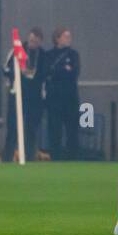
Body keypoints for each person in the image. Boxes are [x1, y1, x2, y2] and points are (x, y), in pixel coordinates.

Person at [2, 27, 46, 161]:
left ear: (40, 42)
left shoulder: (43, 55)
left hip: (35, 96)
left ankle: (29, 157)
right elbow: (5, 69)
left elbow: (46, 73)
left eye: (36, 41)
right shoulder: (16, 51)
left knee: (31, 129)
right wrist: (19, 73)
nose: (33, 43)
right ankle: (7, 158)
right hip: (17, 94)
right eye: (31, 40)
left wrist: (34, 75)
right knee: (13, 128)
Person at [43, 28, 81, 160]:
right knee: (54, 130)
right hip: (54, 98)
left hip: (70, 98)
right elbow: (47, 72)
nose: (68, 39)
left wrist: (60, 72)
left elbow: (74, 73)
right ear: (57, 39)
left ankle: (73, 157)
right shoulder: (48, 55)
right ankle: (56, 157)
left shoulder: (73, 54)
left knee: (72, 129)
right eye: (65, 36)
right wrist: (63, 70)